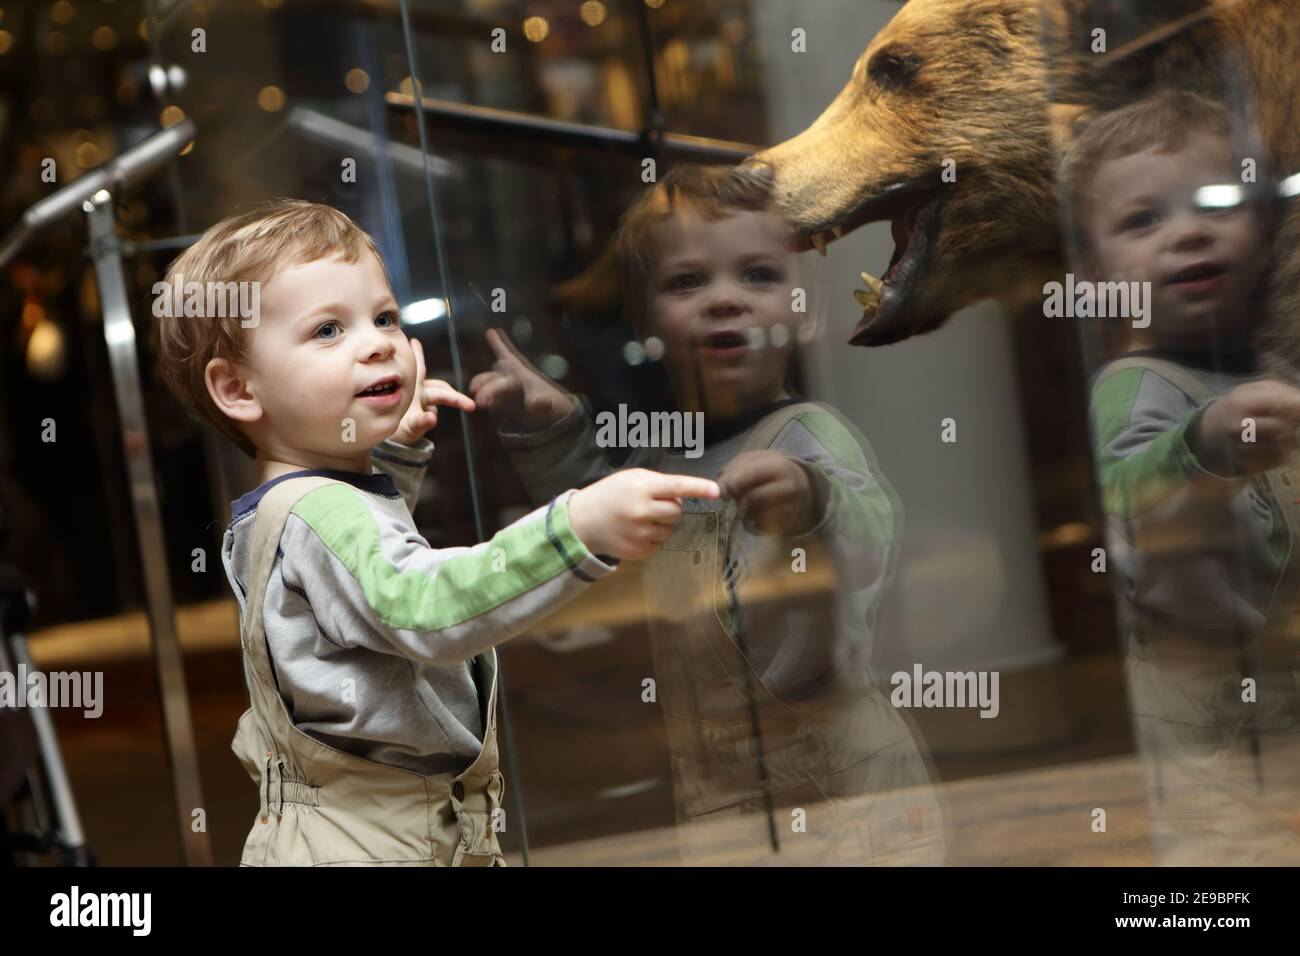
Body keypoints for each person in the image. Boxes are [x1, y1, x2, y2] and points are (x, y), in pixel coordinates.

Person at [155, 199, 718, 866]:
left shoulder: (287, 508)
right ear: (239, 389)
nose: (377, 342)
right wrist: (579, 526)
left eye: (384, 317)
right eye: (328, 330)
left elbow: (360, 581)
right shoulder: (324, 514)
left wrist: (390, 455)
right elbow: (422, 607)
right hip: (381, 844)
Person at [472, 164, 946, 865]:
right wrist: (552, 428)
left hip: (843, 795)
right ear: (645, 320)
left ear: (804, 310)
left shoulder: (809, 434)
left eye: (756, 275)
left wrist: (810, 502)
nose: (725, 300)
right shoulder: (664, 453)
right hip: (718, 793)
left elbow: (871, 526)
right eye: (687, 282)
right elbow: (610, 525)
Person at [1067, 90, 1300, 863]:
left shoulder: (1269, 370)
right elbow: (1128, 498)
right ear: (1096, 274)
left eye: (1216, 203)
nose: (1189, 231)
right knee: (1221, 849)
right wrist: (1201, 444)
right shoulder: (1134, 386)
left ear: (1264, 230)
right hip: (1193, 686)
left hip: (1278, 664)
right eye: (1143, 221)